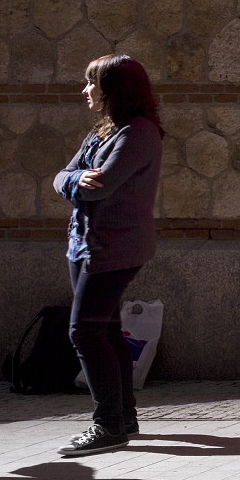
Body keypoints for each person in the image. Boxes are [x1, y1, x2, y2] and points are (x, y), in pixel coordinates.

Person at [52, 54, 163, 457]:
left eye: (91, 83)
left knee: (84, 331)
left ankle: (107, 424)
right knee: (105, 329)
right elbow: (61, 175)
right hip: (82, 243)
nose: (85, 91)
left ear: (114, 89)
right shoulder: (104, 131)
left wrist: (76, 181)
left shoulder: (138, 133)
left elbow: (101, 188)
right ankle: (123, 417)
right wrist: (74, 178)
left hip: (115, 246)